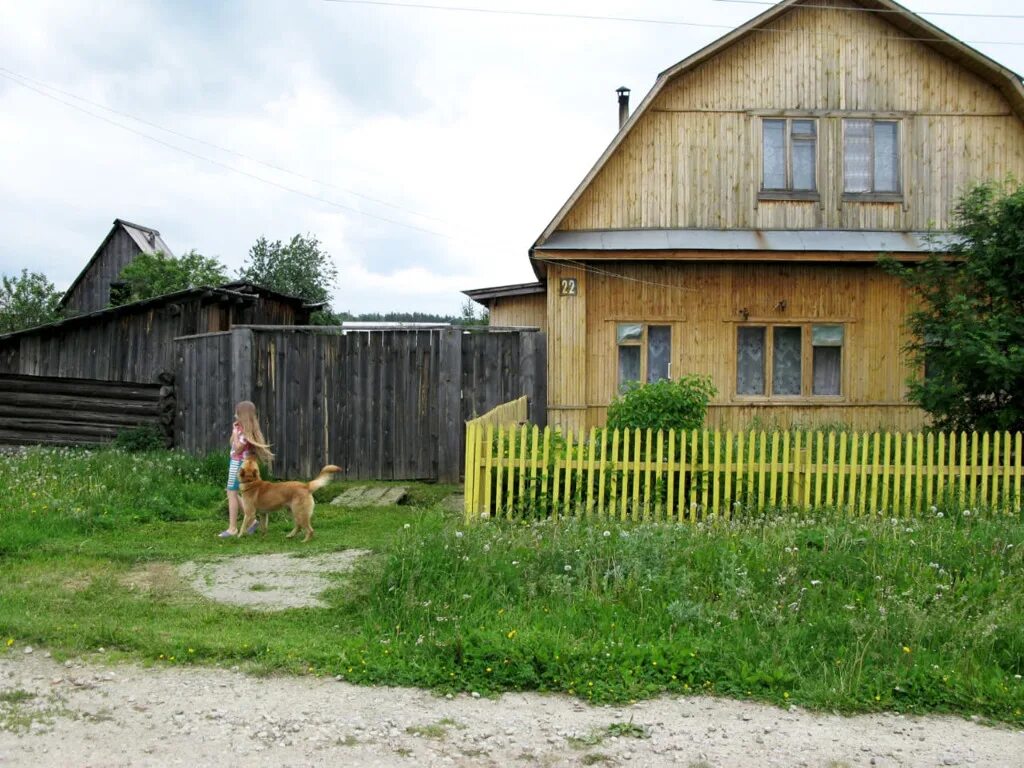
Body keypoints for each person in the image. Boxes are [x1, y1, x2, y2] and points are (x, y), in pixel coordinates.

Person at [218, 401, 275, 538]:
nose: (235, 415)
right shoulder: (243, 431)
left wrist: (236, 433)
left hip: (239, 464)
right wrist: (235, 432)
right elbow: (232, 443)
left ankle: (233, 528)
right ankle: (252, 521)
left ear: (242, 415)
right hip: (237, 463)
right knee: (231, 491)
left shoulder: (245, 434)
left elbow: (237, 448)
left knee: (231, 493)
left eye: (237, 413)